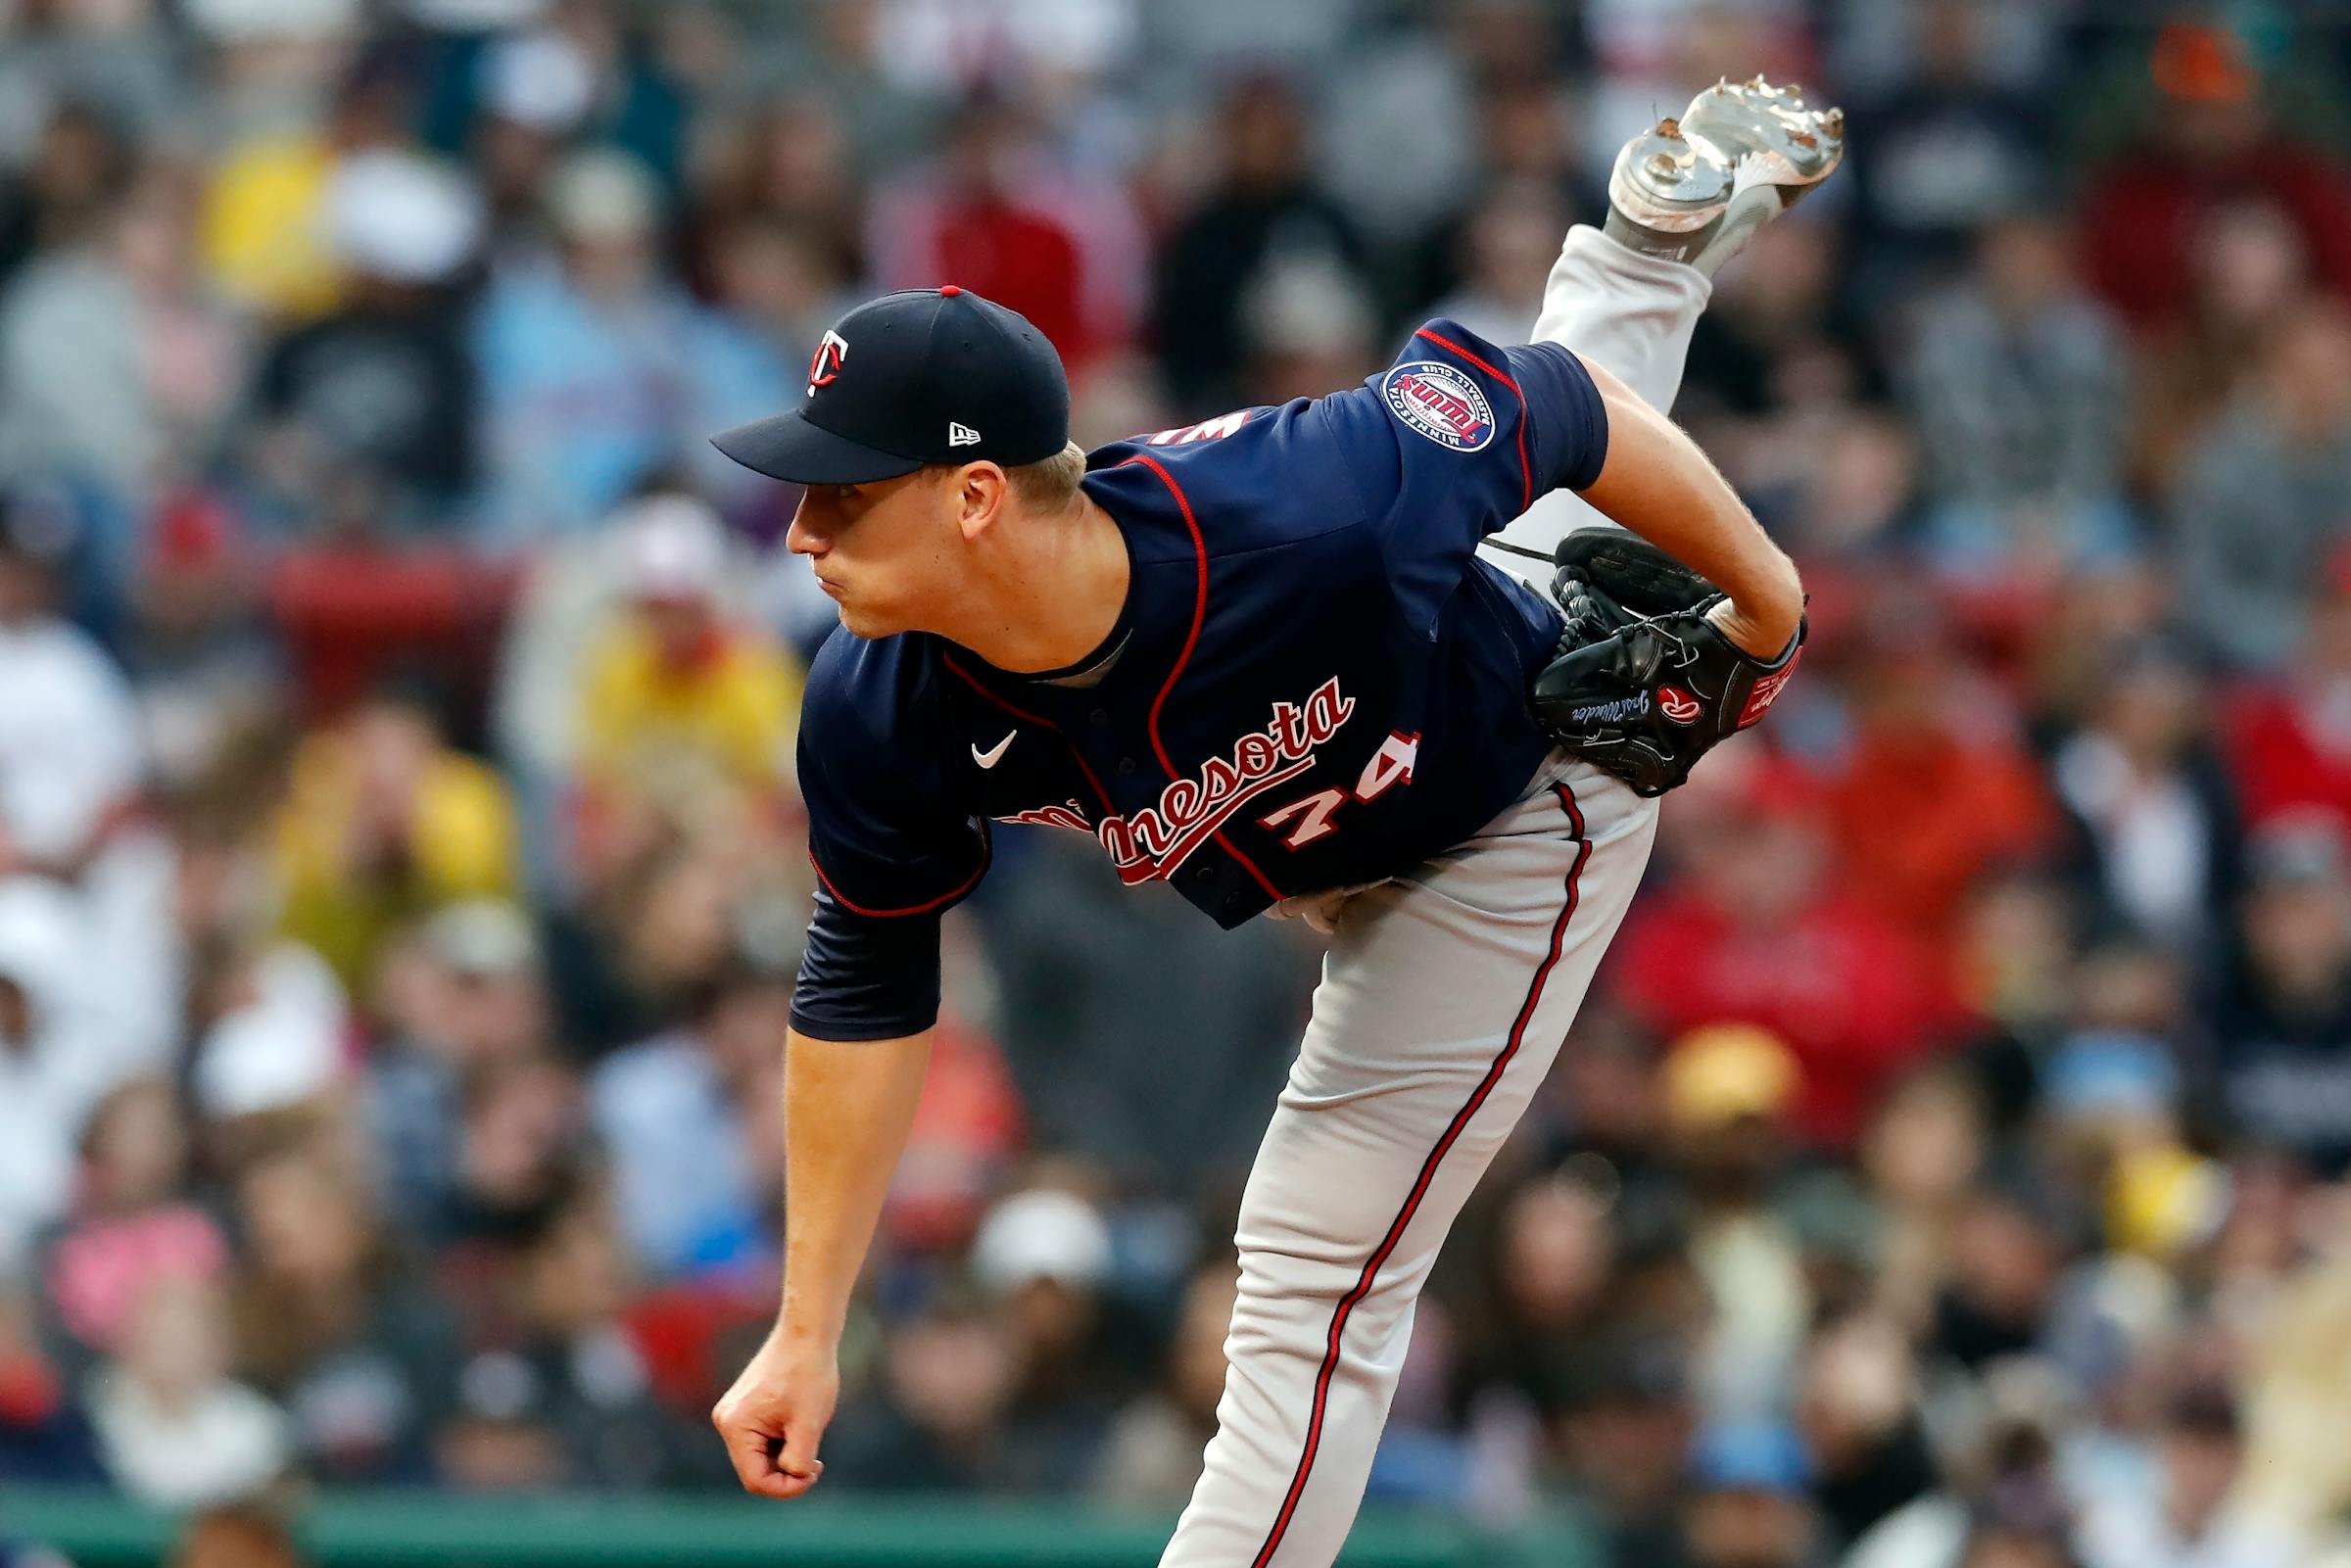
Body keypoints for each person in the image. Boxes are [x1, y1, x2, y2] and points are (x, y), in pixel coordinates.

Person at [707, 81, 1837, 1568]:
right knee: (1521, 521)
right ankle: (1639, 253)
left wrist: (1766, 605)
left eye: (843, 495)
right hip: (1394, 720)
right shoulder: (877, 700)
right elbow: (863, 988)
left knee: (1311, 1283)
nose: (801, 530)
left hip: (1518, 796)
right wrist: (805, 1327)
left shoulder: (1300, 504)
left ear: (977, 496)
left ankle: (1639, 278)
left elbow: (1548, 405)